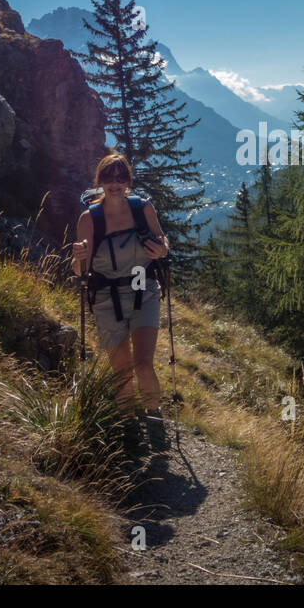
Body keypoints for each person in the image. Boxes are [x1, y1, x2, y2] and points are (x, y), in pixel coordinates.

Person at [71, 153, 170, 448]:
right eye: (108, 178)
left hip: (143, 288)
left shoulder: (143, 209)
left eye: (120, 177)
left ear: (128, 180)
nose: (114, 183)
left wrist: (161, 250)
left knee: (143, 364)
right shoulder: (89, 219)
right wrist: (77, 258)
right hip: (106, 296)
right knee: (122, 369)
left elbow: (162, 241)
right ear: (99, 182)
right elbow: (80, 270)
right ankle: (128, 424)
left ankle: (153, 418)